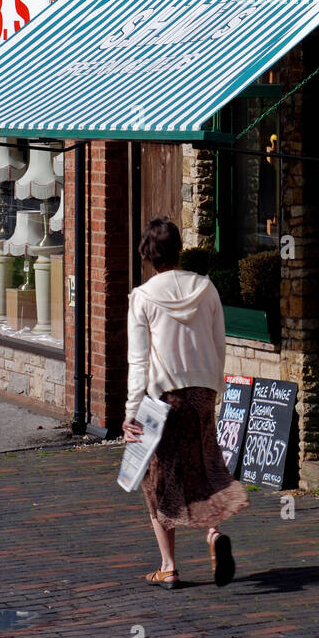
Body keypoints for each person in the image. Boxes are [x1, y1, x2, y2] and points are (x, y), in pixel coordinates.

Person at [122, 217, 249, 589]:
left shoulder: (143, 297)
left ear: (147, 255)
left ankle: (169, 566)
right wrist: (213, 389)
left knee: (156, 479)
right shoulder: (206, 288)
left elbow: (138, 361)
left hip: (165, 397)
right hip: (203, 393)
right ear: (179, 249)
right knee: (204, 465)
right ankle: (213, 534)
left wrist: (131, 411)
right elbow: (219, 344)